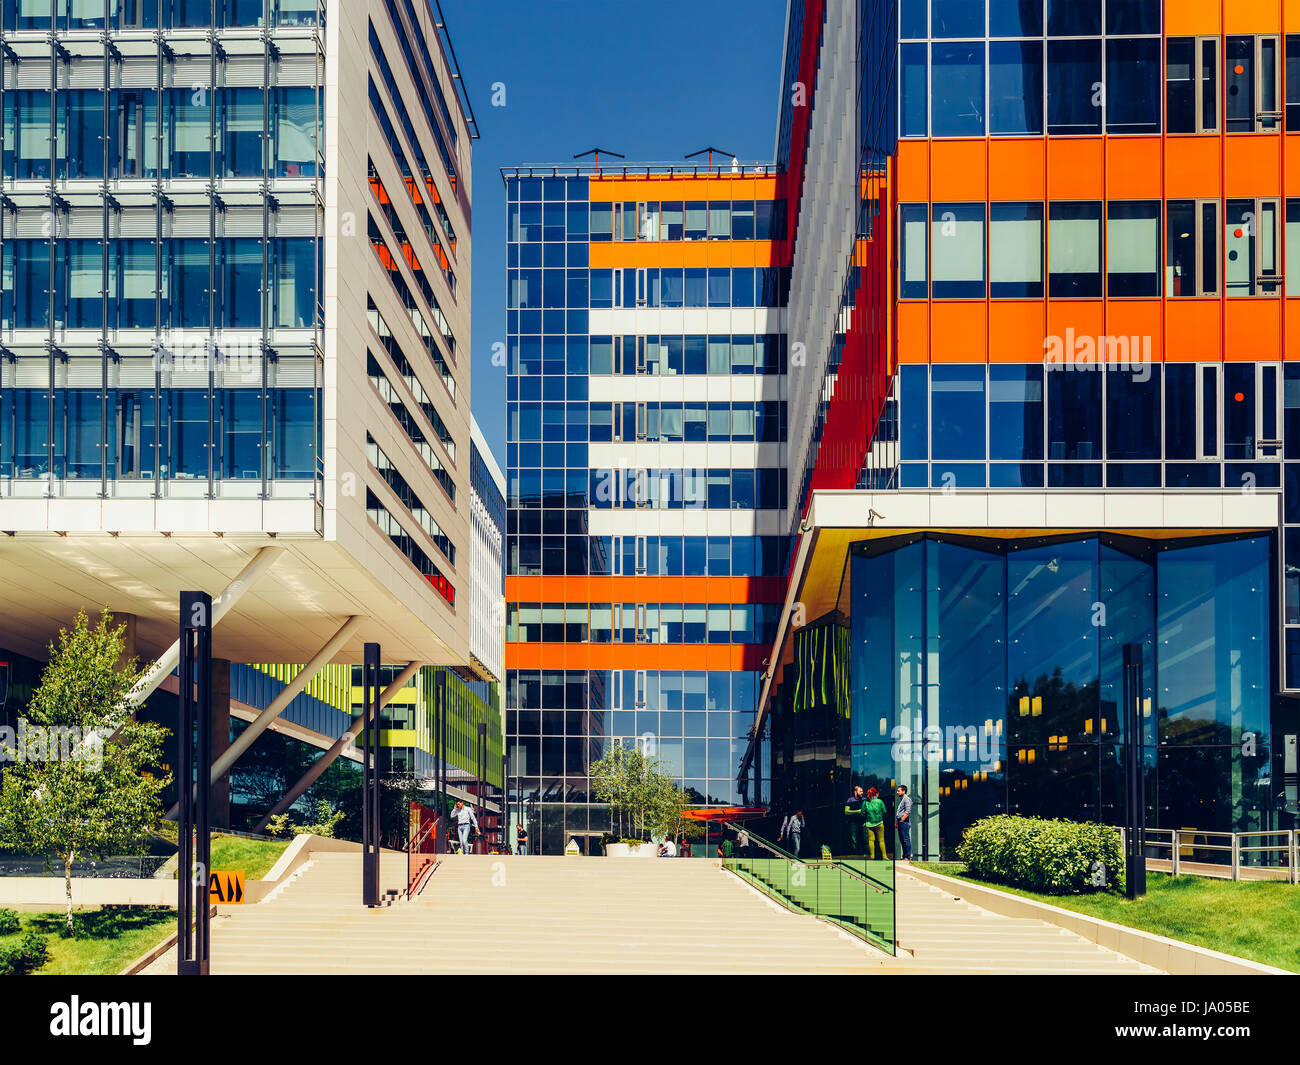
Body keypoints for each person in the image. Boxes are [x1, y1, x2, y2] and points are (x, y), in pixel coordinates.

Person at [864, 786, 887, 860]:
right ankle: (884, 856)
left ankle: (872, 857)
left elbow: (862, 812)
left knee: (871, 840)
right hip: (879, 823)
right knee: (881, 840)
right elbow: (884, 811)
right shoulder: (880, 801)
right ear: (876, 794)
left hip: (869, 824)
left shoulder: (865, 802)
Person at [845, 784, 867, 855]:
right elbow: (846, 811)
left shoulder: (864, 800)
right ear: (855, 792)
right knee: (854, 839)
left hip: (863, 822)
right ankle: (854, 854)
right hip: (853, 823)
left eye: (862, 791)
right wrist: (857, 811)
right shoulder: (850, 800)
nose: (862, 793)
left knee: (864, 838)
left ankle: (864, 853)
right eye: (860, 791)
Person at [895, 784, 913, 861]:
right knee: (902, 840)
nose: (897, 792)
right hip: (900, 822)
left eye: (899, 791)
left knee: (906, 839)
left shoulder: (907, 799)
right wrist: (897, 822)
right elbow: (900, 812)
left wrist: (902, 820)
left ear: (904, 791)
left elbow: (907, 811)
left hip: (904, 822)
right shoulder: (902, 799)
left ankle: (907, 857)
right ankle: (904, 856)